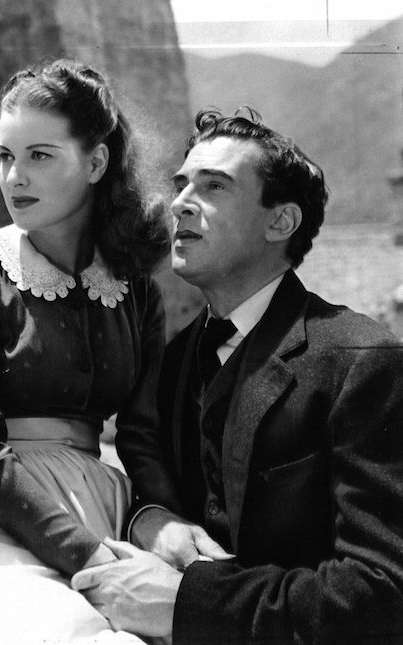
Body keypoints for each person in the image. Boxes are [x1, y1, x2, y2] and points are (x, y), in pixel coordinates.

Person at [72, 107, 403, 643]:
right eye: (181, 185)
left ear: (280, 222)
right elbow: (144, 479)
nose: (179, 203)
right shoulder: (171, 364)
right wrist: (149, 518)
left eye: (214, 186)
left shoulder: (363, 361)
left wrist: (187, 604)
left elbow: (382, 594)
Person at [0, 58, 170, 645]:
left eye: (39, 156)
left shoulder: (135, 292)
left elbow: (143, 439)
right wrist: (92, 557)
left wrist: (158, 519)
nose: (14, 177)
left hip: (105, 509)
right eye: (6, 156)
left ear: (96, 163)